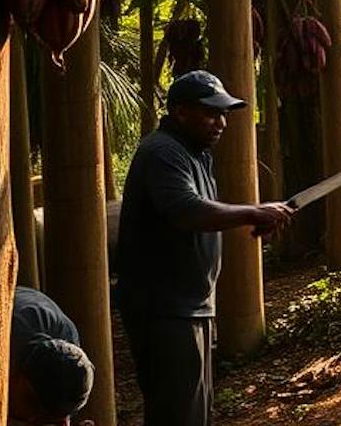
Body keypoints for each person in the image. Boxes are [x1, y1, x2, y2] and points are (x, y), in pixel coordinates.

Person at [117, 70, 294, 426]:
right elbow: (187, 211)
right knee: (177, 414)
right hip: (165, 310)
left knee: (194, 412)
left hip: (190, 308)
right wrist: (253, 212)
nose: (222, 123)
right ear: (181, 112)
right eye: (212, 113)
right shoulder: (162, 152)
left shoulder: (195, 153)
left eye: (224, 114)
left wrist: (252, 219)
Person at [9, 285, 93, 425]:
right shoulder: (3, 342)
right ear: (22, 381)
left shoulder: (68, 344)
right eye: (36, 412)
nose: (33, 418)